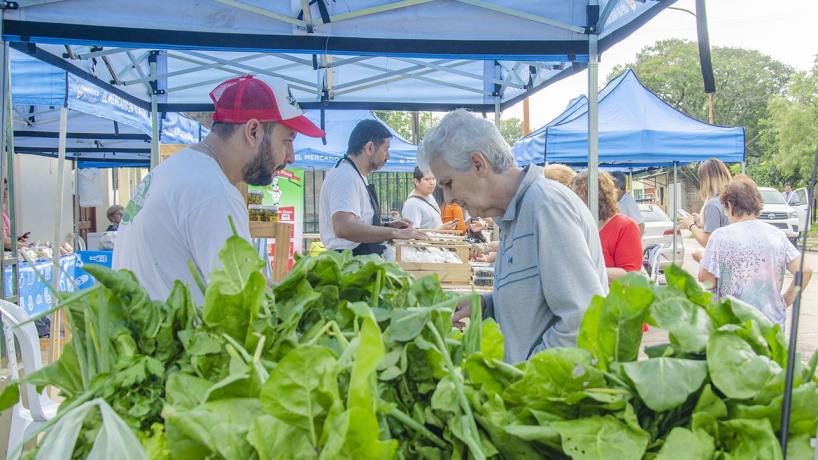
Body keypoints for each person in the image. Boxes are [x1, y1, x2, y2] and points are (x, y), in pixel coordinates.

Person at [114, 75, 325, 302]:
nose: (291, 157)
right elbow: (243, 298)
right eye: (288, 141)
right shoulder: (213, 192)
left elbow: (245, 281)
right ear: (253, 131)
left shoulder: (177, 169)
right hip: (177, 336)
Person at [419, 109, 607, 363]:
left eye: (448, 183)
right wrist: (487, 304)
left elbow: (584, 320)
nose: (449, 197)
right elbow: (539, 300)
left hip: (545, 395)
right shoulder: (512, 216)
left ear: (478, 163)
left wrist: (522, 381)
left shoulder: (545, 204)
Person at [699, 175, 812, 326]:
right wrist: (784, 301)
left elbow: (708, 281)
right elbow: (805, 270)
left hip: (733, 325)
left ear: (730, 205)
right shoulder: (776, 234)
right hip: (771, 325)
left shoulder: (720, 236)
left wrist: (702, 259)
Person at [319, 120, 426, 256]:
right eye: (385, 149)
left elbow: (360, 222)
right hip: (351, 262)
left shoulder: (354, 174)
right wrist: (395, 233)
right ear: (370, 147)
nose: (388, 156)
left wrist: (389, 226)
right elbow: (344, 227)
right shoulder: (346, 177)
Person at [573, 171, 643, 283]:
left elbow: (630, 275)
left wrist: (585, 271)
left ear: (598, 197)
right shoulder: (579, 226)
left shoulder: (625, 227)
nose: (575, 202)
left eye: (579, 196)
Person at [681, 158, 732, 262]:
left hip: (723, 262)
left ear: (706, 180)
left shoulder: (713, 204)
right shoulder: (733, 198)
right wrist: (703, 223)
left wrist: (691, 226)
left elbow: (708, 242)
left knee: (696, 253)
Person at [3, 178, 28, 250]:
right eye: (2, 189)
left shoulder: (3, 212)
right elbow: (4, 242)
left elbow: (7, 236)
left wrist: (18, 239)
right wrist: (25, 246)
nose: (5, 193)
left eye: (6, 189)